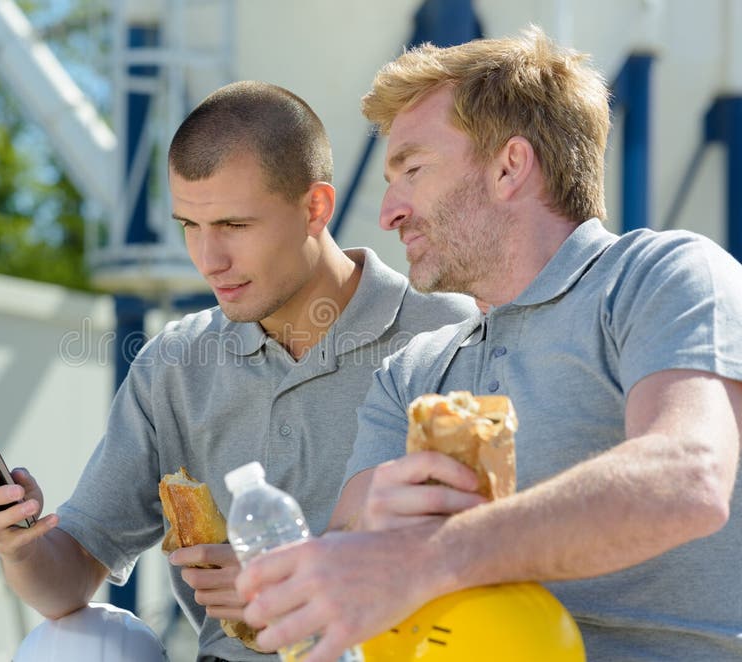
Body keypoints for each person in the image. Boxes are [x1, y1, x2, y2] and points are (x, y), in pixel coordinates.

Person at [235, 27, 742, 662]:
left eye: (413, 169)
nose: (388, 212)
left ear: (509, 166)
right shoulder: (412, 372)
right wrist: (359, 538)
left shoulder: (662, 275)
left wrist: (427, 555)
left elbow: (687, 476)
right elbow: (348, 565)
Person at [0, 80, 475, 661]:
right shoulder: (173, 365)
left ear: (314, 208)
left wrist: (289, 583)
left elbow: (482, 547)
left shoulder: (447, 333)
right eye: (189, 226)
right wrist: (19, 544)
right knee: (65, 645)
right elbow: (66, 582)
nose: (208, 260)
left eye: (234, 225)